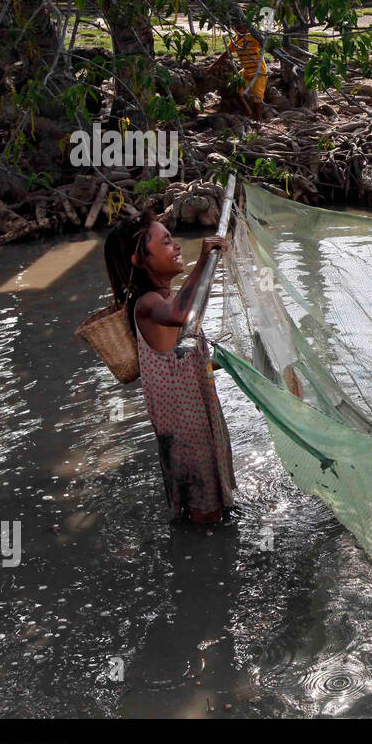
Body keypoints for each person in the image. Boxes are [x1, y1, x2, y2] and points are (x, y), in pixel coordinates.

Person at [104, 210, 237, 524]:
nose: (176, 246)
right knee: (205, 512)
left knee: (214, 505)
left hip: (202, 422)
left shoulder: (168, 299)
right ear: (140, 261)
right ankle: (204, 552)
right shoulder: (148, 304)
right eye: (165, 242)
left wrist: (234, 363)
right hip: (185, 434)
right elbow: (180, 315)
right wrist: (203, 261)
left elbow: (188, 361)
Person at [227, 20, 267, 122]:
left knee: (257, 96)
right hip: (246, 71)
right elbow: (227, 53)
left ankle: (258, 121)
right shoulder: (235, 40)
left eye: (241, 27)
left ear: (247, 26)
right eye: (236, 28)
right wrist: (213, 66)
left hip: (259, 71)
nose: (239, 30)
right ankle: (248, 111)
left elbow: (264, 44)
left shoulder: (252, 37)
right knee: (234, 86)